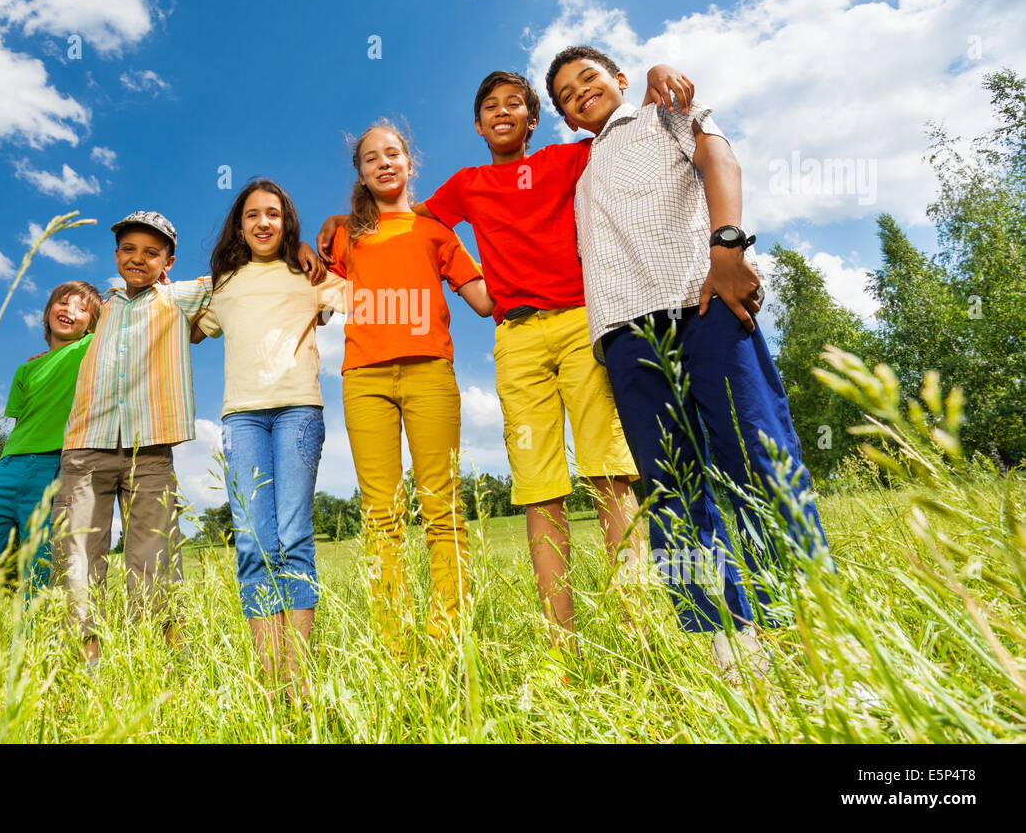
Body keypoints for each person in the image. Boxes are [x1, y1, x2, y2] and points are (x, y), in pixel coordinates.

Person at [318, 64, 689, 659]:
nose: (501, 111)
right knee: (538, 489)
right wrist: (341, 225)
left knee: (609, 476)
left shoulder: (567, 161)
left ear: (535, 119)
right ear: (476, 123)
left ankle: (639, 634)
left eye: (515, 103)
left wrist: (650, 83)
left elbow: (622, 138)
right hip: (510, 338)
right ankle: (558, 647)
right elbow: (395, 237)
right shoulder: (460, 190)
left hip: (577, 323)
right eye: (490, 105)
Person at [546, 45, 831, 679]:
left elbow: (716, 157)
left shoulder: (662, 114)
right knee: (673, 488)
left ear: (619, 79)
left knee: (755, 453)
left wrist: (727, 244)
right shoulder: (582, 174)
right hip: (624, 334)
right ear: (565, 118)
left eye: (588, 78)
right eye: (565, 95)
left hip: (697, 303)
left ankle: (814, 620)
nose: (579, 93)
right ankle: (729, 639)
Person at [327, 121, 494, 657]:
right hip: (365, 379)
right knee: (381, 517)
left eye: (393, 153)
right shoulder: (342, 234)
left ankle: (448, 642)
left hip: (429, 375)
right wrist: (311, 255)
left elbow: (486, 301)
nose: (384, 163)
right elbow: (322, 297)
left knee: (443, 509)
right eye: (371, 157)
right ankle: (395, 647)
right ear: (361, 172)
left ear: (409, 162)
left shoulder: (437, 230)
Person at [192, 178, 346, 699]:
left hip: (299, 411)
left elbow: (361, 288)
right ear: (240, 225)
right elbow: (186, 325)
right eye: (253, 214)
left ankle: (298, 675)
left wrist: (327, 238)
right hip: (242, 419)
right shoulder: (223, 284)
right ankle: (270, 675)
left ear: (287, 222)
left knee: (294, 537)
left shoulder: (310, 275)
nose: (263, 223)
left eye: (274, 215)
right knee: (254, 542)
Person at [51, 211, 212, 664]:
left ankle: (157, 666)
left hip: (151, 448)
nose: (138, 258)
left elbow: (237, 276)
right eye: (129, 249)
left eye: (151, 252)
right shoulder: (101, 307)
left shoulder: (180, 298)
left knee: (154, 558)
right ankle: (87, 665)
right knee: (78, 557)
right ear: (116, 254)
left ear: (169, 261)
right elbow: (65, 335)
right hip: (85, 446)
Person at [0, 281, 102, 644]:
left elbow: (118, 317)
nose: (69, 310)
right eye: (62, 302)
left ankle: (30, 664)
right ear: (47, 311)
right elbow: (21, 423)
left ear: (92, 323)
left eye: (81, 308)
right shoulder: (24, 371)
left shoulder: (90, 349)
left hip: (56, 468)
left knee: (41, 571)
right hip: (7, 469)